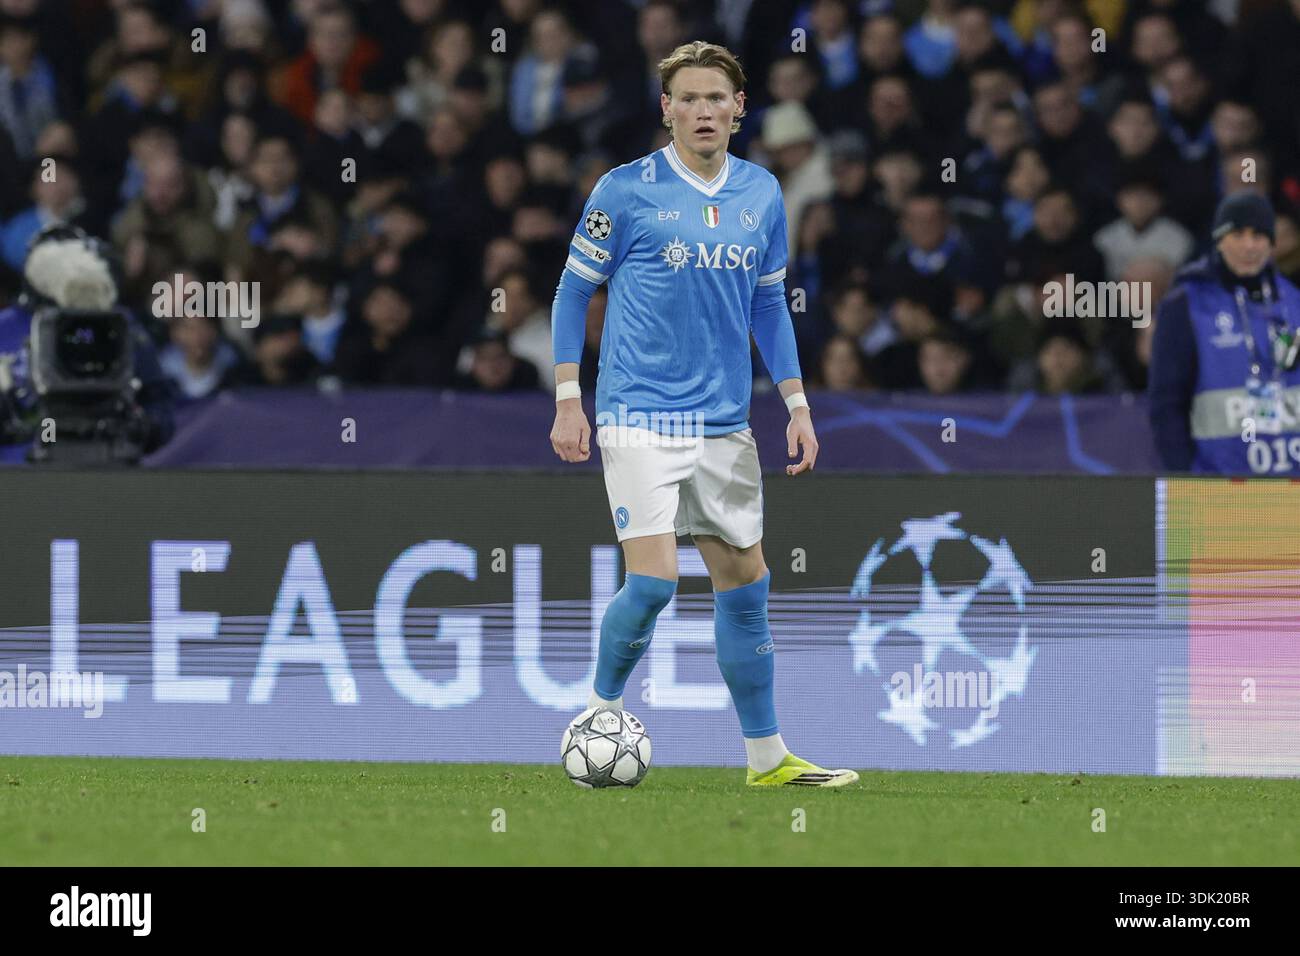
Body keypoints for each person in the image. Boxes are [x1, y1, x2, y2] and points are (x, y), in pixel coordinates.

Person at [549, 40, 857, 788]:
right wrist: (568, 398)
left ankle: (766, 760)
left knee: (746, 587)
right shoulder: (625, 190)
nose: (702, 111)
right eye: (686, 98)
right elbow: (570, 294)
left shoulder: (761, 193)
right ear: (667, 110)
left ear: (739, 108)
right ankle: (597, 715)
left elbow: (768, 304)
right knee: (653, 584)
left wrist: (797, 405)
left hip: (724, 422)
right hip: (639, 414)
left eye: (715, 97)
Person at [1149, 193, 1300, 474]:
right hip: (1218, 487)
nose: (1249, 246)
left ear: (1271, 243)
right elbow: (1166, 404)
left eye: (1259, 235)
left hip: (1291, 482)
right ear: (1219, 240)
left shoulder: (1294, 302)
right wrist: (1184, 476)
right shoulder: (1185, 305)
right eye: (1238, 234)